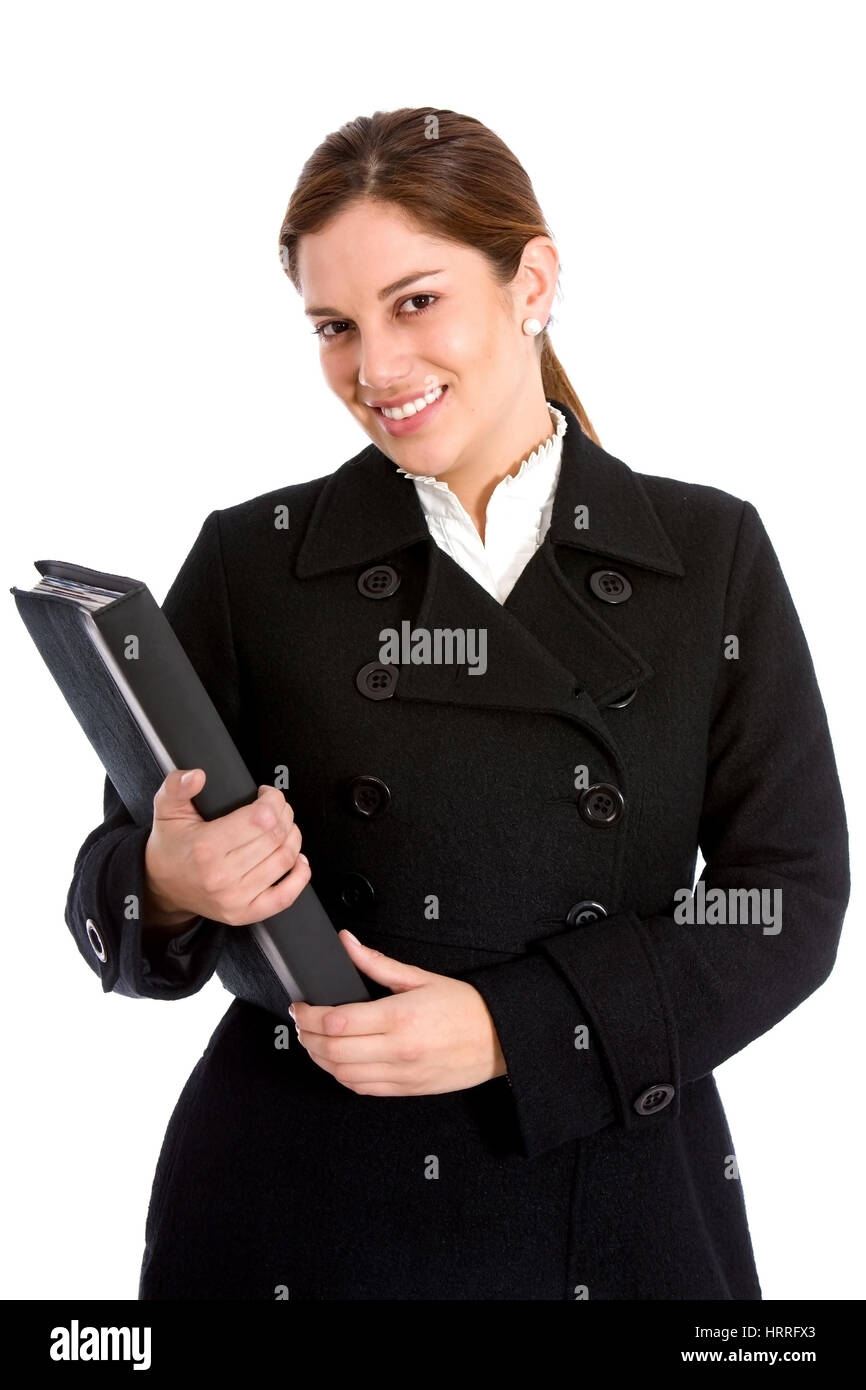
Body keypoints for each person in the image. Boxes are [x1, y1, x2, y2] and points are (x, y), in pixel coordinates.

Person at [65, 106, 849, 1301]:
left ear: (530, 278)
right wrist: (174, 881)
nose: (373, 368)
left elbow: (784, 896)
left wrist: (514, 1030)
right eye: (335, 325)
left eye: (414, 301)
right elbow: (116, 872)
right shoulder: (251, 559)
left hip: (607, 1193)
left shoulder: (708, 552)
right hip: (296, 1199)